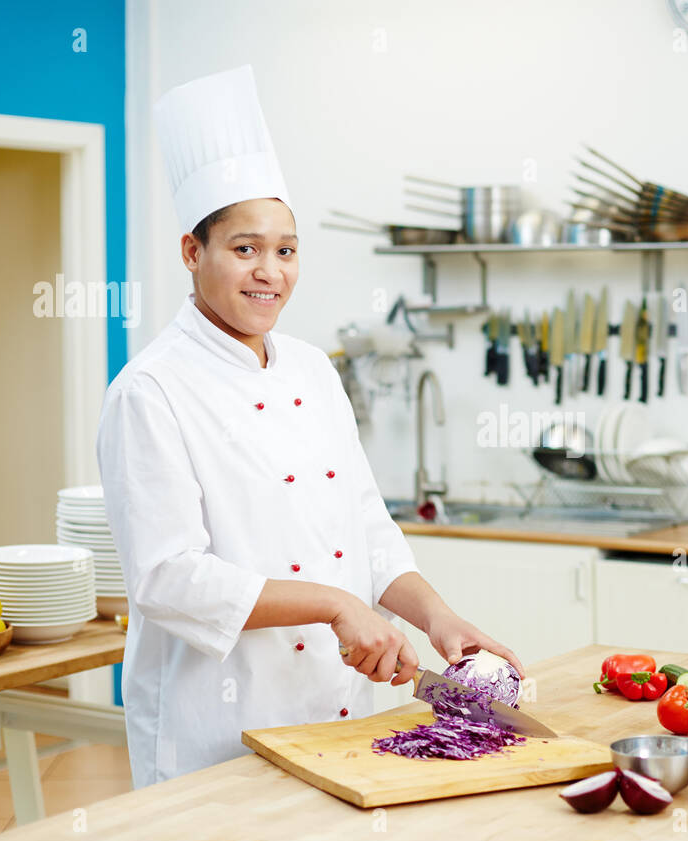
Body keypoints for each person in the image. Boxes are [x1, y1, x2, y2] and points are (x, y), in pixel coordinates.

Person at [96, 65, 522, 788]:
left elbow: (363, 524)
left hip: (338, 713)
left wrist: (436, 618)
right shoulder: (151, 390)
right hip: (219, 730)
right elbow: (168, 579)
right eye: (245, 248)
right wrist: (334, 605)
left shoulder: (312, 370)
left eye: (286, 250)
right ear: (192, 253)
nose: (270, 272)